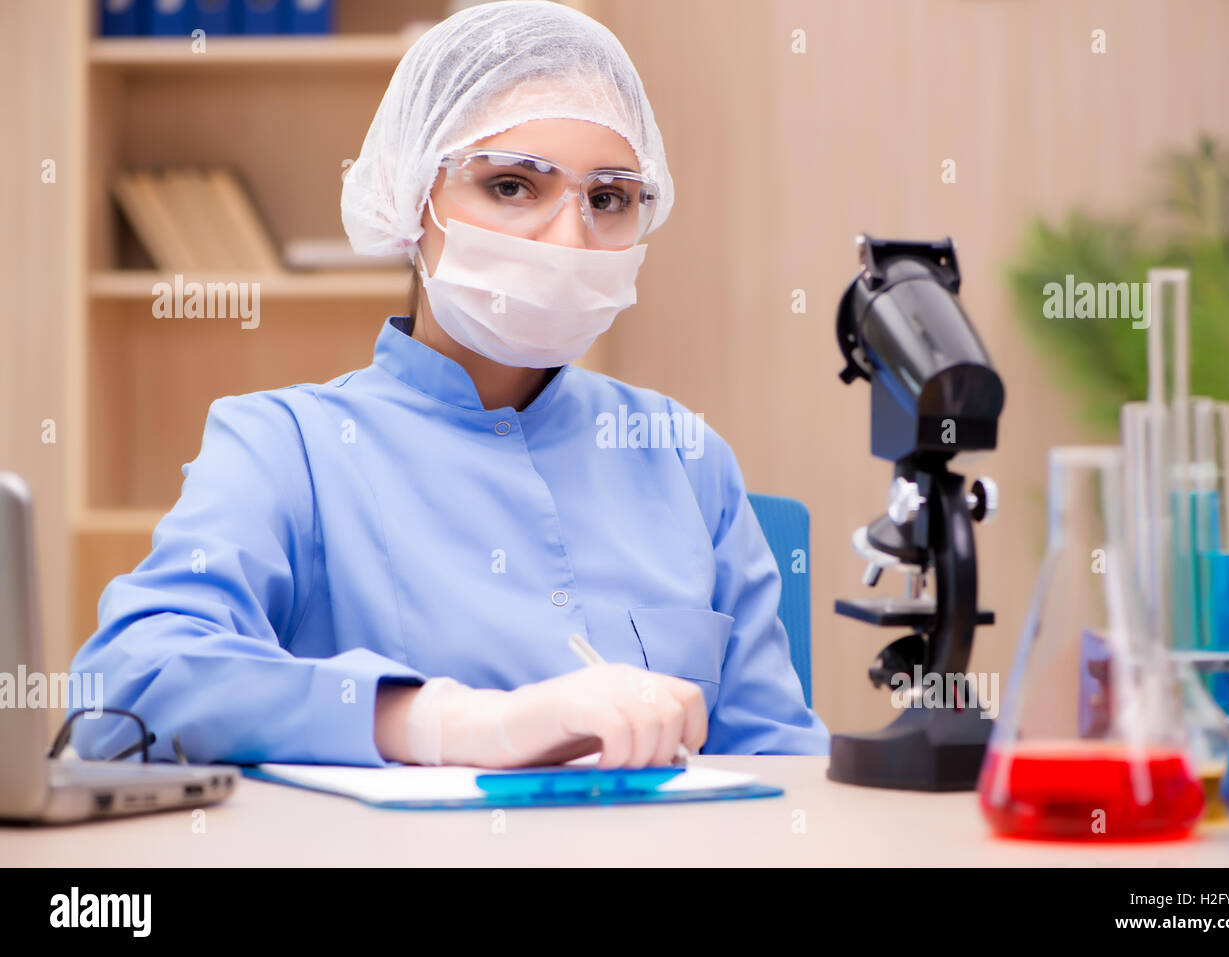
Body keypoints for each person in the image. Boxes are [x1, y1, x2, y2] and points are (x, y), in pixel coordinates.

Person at [70, 0, 829, 769]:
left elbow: (783, 767)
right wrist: (445, 723)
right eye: (512, 185)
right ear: (410, 198)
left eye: (607, 198)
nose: (570, 239)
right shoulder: (286, 449)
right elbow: (125, 691)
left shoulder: (685, 457)